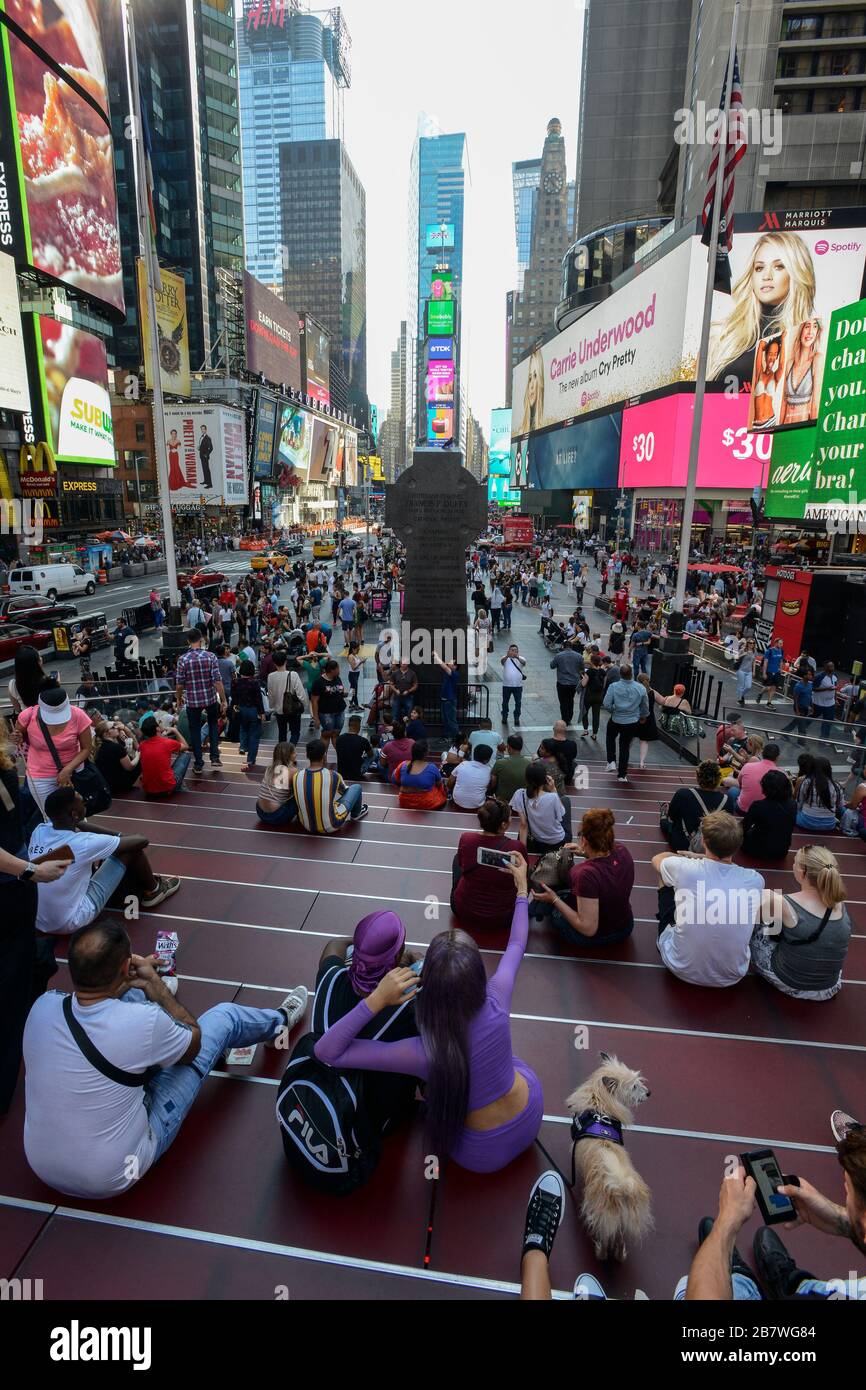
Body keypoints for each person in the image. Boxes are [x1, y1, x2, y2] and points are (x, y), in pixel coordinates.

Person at [22, 919, 307, 1199]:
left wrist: (126, 983)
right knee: (224, 1017)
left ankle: (163, 1029)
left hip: (42, 1165)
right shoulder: (144, 1022)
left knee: (135, 1007)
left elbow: (101, 1002)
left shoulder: (42, 1007)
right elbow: (194, 1043)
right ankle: (279, 1021)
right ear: (125, 966)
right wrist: (155, 987)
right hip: (114, 1175)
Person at [315, 856, 543, 1175]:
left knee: (442, 1086)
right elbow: (517, 942)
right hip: (532, 1114)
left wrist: (377, 999)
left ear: (430, 984)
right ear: (478, 973)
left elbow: (326, 1051)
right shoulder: (498, 995)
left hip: (479, 1155)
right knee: (504, 1057)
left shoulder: (423, 1051)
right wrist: (521, 887)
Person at [0, 744, 68, 1114]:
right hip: (9, 888)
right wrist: (30, 870)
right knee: (10, 982)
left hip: (15, 886)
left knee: (22, 969)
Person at [313, 916, 421, 1136]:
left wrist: (363, 947)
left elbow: (334, 944)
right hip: (372, 1119)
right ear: (398, 956)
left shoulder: (329, 977)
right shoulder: (408, 1008)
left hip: (325, 1088)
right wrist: (415, 966)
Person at [28, 787, 179, 936]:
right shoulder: (82, 843)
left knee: (95, 858)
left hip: (39, 921)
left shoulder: (39, 830)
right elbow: (141, 841)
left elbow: (73, 827)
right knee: (130, 850)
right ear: (74, 814)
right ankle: (154, 891)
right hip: (71, 921)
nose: (86, 802)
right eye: (83, 802)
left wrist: (76, 822)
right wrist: (120, 837)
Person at [652, 812, 765, 988]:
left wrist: (692, 858)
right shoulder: (755, 879)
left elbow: (658, 859)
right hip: (733, 975)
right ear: (737, 845)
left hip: (680, 967)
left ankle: (668, 923)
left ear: (703, 841)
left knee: (665, 877)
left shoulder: (686, 868)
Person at [752, 844, 851, 1002]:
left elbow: (749, 916)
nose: (792, 865)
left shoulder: (783, 902)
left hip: (792, 984)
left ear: (802, 872)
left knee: (760, 926)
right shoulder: (839, 903)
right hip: (829, 986)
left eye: (795, 862)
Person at [532, 808, 636, 947]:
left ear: (584, 839)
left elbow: (588, 929)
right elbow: (604, 859)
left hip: (598, 937)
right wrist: (585, 852)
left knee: (556, 906)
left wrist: (554, 899)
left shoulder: (585, 874)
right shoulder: (622, 850)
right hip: (625, 926)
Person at [451, 800, 529, 931]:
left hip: (465, 912)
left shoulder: (466, 839)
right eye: (510, 817)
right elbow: (524, 878)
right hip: (504, 918)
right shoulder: (516, 848)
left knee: (456, 859)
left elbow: (461, 864)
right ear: (503, 825)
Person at [18, 686, 95, 816]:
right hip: (39, 775)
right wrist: (18, 737)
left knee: (76, 815)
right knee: (49, 817)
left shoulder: (78, 715)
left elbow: (87, 748)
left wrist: (67, 769)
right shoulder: (28, 715)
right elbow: (21, 737)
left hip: (73, 774)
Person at [175, 630, 227, 774]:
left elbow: (179, 684)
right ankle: (215, 757)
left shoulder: (183, 659)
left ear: (188, 642)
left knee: (195, 731)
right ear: (202, 640)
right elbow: (217, 681)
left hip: (192, 701)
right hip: (210, 699)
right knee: (212, 725)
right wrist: (223, 700)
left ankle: (198, 763)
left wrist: (179, 698)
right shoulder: (211, 657)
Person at [292, 739, 367, 832]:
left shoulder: (296, 776)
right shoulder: (333, 775)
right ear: (324, 755)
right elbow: (344, 792)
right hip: (331, 825)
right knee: (356, 788)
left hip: (307, 825)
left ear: (307, 756)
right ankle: (356, 814)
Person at [660, 761, 728, 852]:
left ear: (697, 776)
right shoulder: (727, 800)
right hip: (713, 848)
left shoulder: (683, 794)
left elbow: (672, 816)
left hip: (683, 844)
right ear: (719, 778)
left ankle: (663, 815)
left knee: (667, 823)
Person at [603, 665, 649, 784]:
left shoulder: (613, 687)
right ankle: (622, 775)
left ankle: (611, 761)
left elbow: (606, 704)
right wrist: (643, 716)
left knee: (610, 737)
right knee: (624, 747)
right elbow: (644, 706)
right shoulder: (640, 688)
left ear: (620, 675)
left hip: (616, 718)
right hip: (631, 721)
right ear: (632, 674)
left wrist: (614, 709)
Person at [510, 761, 566, 854]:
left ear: (526, 779)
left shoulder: (519, 794)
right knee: (566, 800)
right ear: (544, 780)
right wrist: (553, 790)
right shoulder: (553, 797)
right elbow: (561, 814)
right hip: (555, 842)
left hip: (536, 840)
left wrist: (522, 852)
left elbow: (523, 825)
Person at [741, 769, 796, 862]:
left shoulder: (758, 805)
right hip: (781, 851)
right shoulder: (793, 804)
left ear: (765, 788)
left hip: (756, 850)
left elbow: (744, 827)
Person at [138, 717, 192, 798]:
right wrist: (175, 730)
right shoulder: (167, 742)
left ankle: (178, 784)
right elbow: (186, 746)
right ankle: (179, 785)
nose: (161, 723)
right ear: (157, 728)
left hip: (148, 791)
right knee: (186, 753)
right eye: (159, 722)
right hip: (167, 788)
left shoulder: (142, 745)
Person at [725, 741, 780, 813]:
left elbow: (740, 783)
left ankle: (731, 814)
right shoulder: (781, 773)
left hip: (744, 810)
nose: (746, 744)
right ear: (777, 757)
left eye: (748, 742)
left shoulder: (750, 763)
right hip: (767, 811)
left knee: (732, 790)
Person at [267, 650, 307, 748]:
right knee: (295, 732)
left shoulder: (271, 676)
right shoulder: (293, 675)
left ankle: (282, 753)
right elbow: (301, 694)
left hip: (279, 710)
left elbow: (271, 694)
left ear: (274, 662)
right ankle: (290, 751)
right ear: (286, 661)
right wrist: (303, 704)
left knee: (282, 733)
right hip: (293, 709)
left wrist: (272, 706)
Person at [310, 659, 348, 758]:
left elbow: (340, 690)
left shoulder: (337, 678)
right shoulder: (319, 682)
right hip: (326, 713)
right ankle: (322, 757)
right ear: (331, 670)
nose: (339, 670)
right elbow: (314, 700)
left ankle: (341, 756)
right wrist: (316, 718)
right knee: (327, 734)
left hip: (340, 710)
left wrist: (345, 693)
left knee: (336, 733)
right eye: (337, 668)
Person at [233, 659, 266, 772]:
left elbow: (234, 697)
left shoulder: (235, 682)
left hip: (241, 709)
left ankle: (242, 746)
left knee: (243, 728)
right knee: (254, 736)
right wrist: (262, 713)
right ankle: (251, 759)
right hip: (253, 710)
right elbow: (258, 700)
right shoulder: (255, 682)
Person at [394, 741, 447, 810]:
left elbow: (395, 780)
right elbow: (439, 785)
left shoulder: (402, 765)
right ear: (426, 753)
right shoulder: (432, 767)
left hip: (405, 802)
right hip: (426, 804)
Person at [796, 756, 843, 831]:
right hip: (829, 824)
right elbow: (840, 806)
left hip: (806, 822)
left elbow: (799, 803)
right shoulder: (836, 786)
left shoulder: (807, 782)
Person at [256, 743, 298, 827]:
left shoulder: (269, 768)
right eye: (294, 753)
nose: (296, 754)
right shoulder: (292, 771)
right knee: (301, 793)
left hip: (260, 812)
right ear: (288, 755)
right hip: (277, 816)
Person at [94, 722, 141, 796]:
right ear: (106, 734)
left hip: (108, 785)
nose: (117, 728)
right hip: (121, 785)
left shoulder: (100, 748)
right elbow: (130, 767)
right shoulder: (116, 747)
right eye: (113, 727)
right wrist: (138, 755)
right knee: (141, 760)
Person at [449, 745, 494, 811]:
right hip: (477, 805)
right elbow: (488, 788)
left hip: (457, 801)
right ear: (488, 759)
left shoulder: (463, 764)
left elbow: (449, 783)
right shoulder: (489, 771)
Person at [8, 644, 48, 717]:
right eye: (39, 657)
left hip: (28, 722)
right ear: (36, 663)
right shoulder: (48, 682)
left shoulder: (12, 684)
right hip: (47, 720)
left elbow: (17, 708)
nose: (41, 658)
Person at [550, 643, 584, 726]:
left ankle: (564, 717)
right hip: (574, 683)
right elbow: (582, 669)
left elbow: (552, 666)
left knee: (563, 700)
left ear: (563, 646)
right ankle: (569, 717)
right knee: (570, 699)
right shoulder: (579, 656)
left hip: (562, 682)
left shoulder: (559, 655)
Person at [491, 735, 531, 805]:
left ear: (508, 747)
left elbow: (493, 783)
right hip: (522, 802)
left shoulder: (500, 763)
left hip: (503, 802)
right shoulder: (529, 764)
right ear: (521, 747)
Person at [433, 652, 460, 742]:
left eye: (451, 663)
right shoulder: (448, 673)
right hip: (445, 700)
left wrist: (436, 656)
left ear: (455, 667)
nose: (448, 663)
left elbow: (444, 666)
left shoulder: (455, 674)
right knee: (446, 720)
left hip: (450, 700)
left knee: (451, 720)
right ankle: (447, 737)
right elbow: (444, 667)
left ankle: (456, 738)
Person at [635, 673, 658, 771]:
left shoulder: (635, 690)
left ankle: (624, 760)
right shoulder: (652, 692)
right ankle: (641, 762)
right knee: (644, 741)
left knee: (629, 739)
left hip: (635, 717)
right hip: (648, 718)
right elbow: (663, 700)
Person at [580, 655, 606, 741]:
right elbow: (604, 684)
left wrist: (583, 677)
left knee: (584, 712)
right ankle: (594, 734)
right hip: (598, 697)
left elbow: (583, 684)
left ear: (592, 662)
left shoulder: (589, 672)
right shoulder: (603, 672)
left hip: (589, 696)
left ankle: (586, 730)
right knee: (596, 715)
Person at [811, 661, 839, 740]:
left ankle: (823, 739)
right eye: (830, 666)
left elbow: (835, 689)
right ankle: (801, 727)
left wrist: (835, 699)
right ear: (825, 667)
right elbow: (813, 688)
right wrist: (826, 688)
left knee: (827, 722)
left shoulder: (835, 676)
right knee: (811, 717)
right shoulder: (819, 676)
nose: (832, 668)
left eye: (833, 666)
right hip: (818, 703)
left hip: (830, 704)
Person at [756, 637, 785, 710]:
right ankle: (761, 693)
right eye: (780, 643)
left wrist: (781, 670)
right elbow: (765, 662)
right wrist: (764, 673)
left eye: (782, 643)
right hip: (769, 671)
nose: (781, 645)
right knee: (768, 687)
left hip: (776, 672)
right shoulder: (769, 651)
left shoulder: (781, 651)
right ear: (776, 643)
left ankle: (769, 703)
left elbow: (781, 661)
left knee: (774, 687)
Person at [500, 644, 526, 726]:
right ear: (508, 650)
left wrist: (517, 657)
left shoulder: (521, 658)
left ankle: (516, 717)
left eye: (515, 650)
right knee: (505, 702)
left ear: (518, 651)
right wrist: (507, 656)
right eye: (512, 650)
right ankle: (504, 716)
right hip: (506, 685)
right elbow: (502, 662)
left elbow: (524, 663)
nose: (514, 652)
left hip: (518, 686)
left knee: (518, 702)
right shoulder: (505, 658)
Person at [389, 658, 419, 725]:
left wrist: (408, 691)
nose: (403, 665)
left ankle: (408, 730)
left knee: (409, 714)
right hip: (397, 697)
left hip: (408, 697)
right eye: (402, 663)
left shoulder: (412, 673)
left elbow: (416, 685)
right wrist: (396, 690)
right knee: (395, 714)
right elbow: (391, 684)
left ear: (408, 664)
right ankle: (394, 730)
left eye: (405, 664)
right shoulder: (395, 673)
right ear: (400, 663)